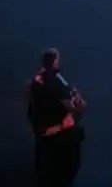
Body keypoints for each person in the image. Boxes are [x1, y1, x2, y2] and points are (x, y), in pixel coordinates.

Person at [26, 48, 85, 187]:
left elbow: (29, 100)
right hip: (59, 134)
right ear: (54, 63)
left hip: (42, 129)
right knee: (65, 168)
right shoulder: (58, 84)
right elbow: (76, 103)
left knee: (44, 162)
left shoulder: (36, 82)